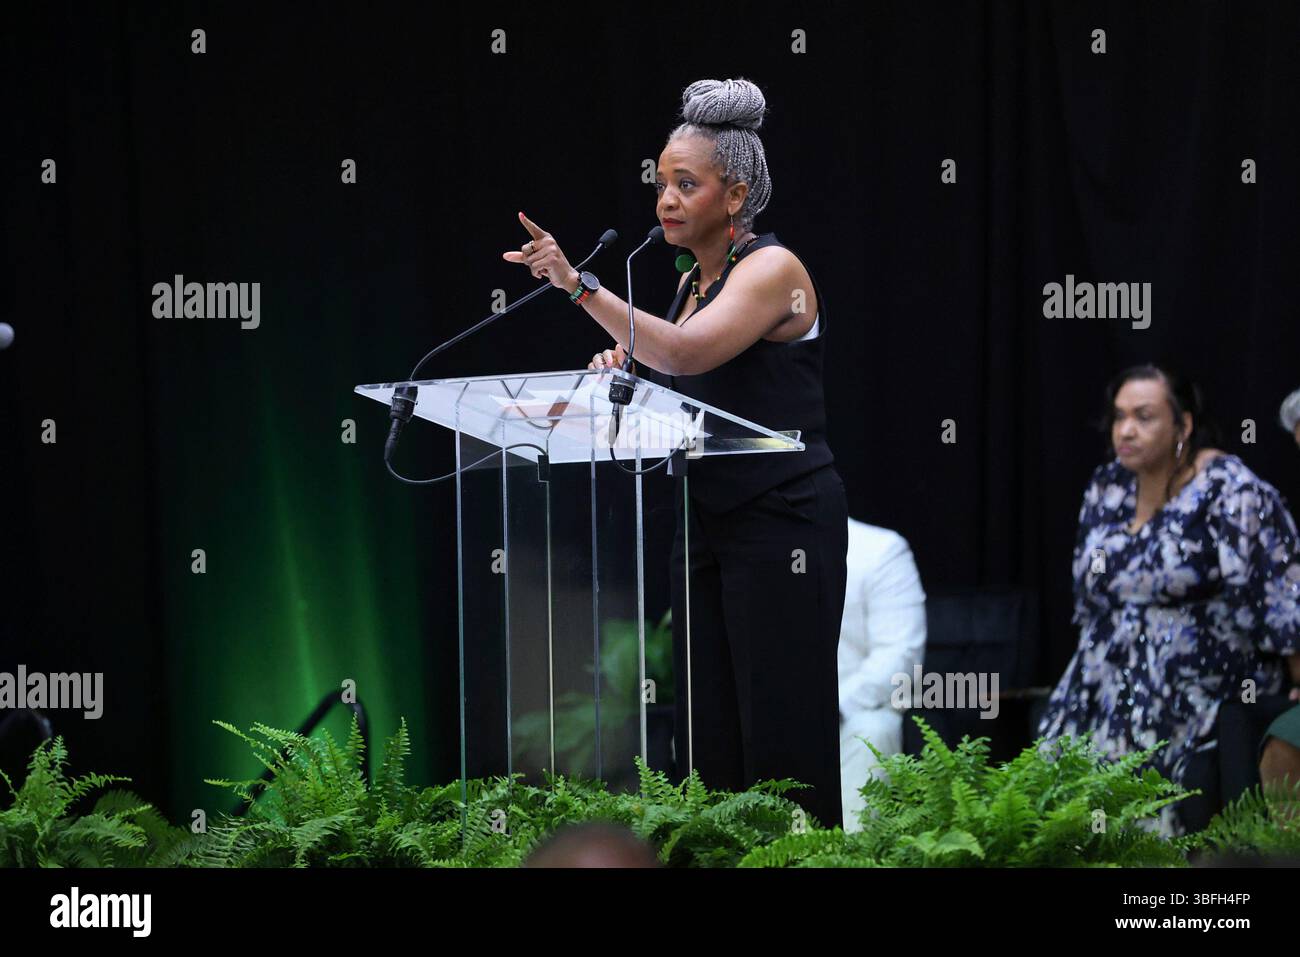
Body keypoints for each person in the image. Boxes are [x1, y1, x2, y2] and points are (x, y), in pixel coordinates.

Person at [501, 77, 848, 828]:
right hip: (707, 522)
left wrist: (578, 285)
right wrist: (618, 375)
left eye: (685, 183)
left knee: (784, 739)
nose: (664, 198)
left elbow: (688, 356)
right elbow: (670, 368)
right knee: (707, 741)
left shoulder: (773, 270)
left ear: (736, 194)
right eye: (661, 181)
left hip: (782, 521)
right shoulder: (694, 280)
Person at [1036, 364, 1300, 836]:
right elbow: (1089, 594)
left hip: (1199, 689)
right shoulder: (1107, 486)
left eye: (1144, 416)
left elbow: (1280, 601)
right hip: (1101, 682)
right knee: (1054, 815)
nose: (1126, 430)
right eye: (1118, 417)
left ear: (1184, 424)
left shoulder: (1230, 489)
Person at [837, 518, 927, 832]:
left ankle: (850, 858)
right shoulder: (743, 549)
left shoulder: (879, 549)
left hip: (853, 713)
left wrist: (830, 709)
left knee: (870, 735)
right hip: (768, 713)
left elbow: (899, 655)